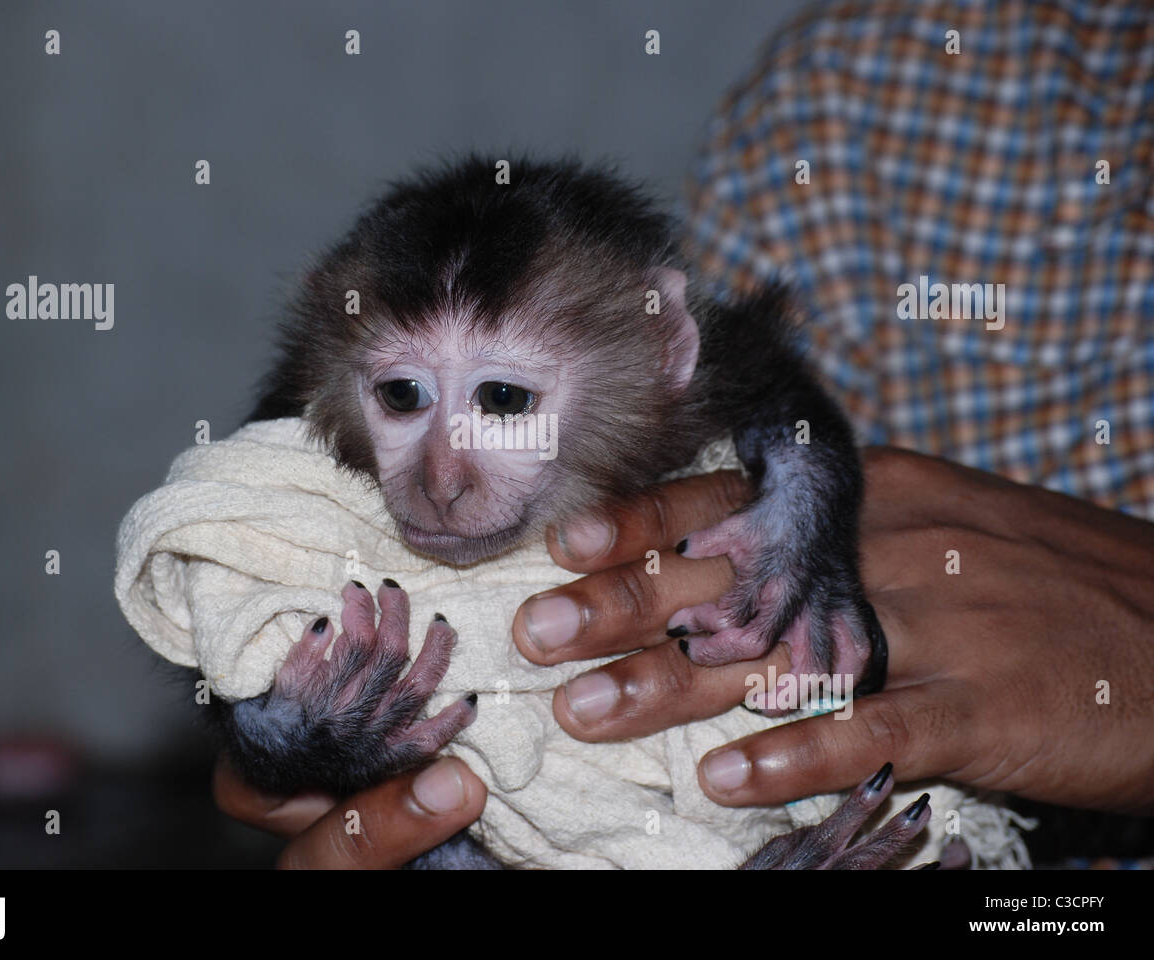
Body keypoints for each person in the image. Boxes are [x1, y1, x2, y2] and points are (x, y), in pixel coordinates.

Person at [216, 0, 1154, 865]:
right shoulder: (852, 83)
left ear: (665, 349)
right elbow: (228, 662)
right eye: (402, 396)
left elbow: (778, 404)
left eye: (504, 400)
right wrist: (286, 729)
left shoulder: (712, 370)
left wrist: (805, 526)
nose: (440, 480)